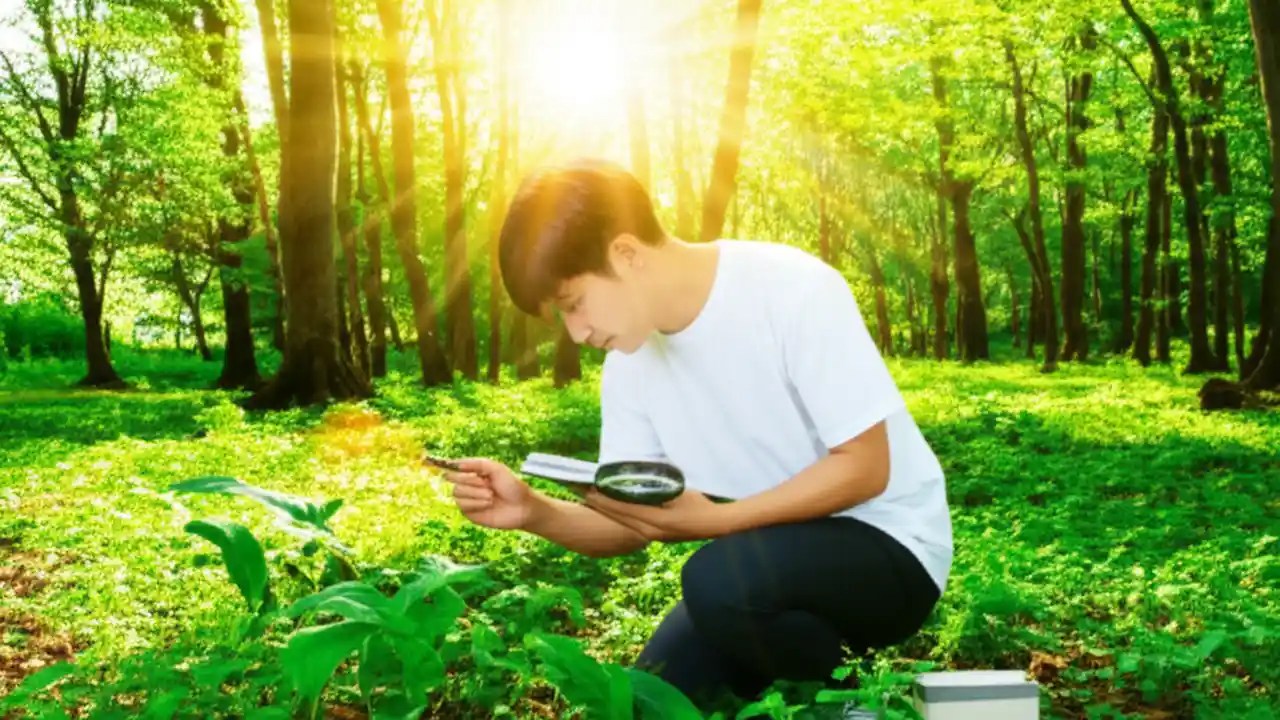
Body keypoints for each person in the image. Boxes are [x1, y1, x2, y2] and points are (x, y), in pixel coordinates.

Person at [440, 158, 952, 711]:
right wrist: (532, 511)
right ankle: (806, 661)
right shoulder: (630, 361)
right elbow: (629, 527)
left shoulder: (791, 288)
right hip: (766, 570)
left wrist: (716, 521)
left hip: (891, 548)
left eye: (574, 304)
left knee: (715, 581)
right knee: (648, 699)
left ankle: (852, 700)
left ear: (627, 254)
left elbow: (865, 466)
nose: (578, 333)